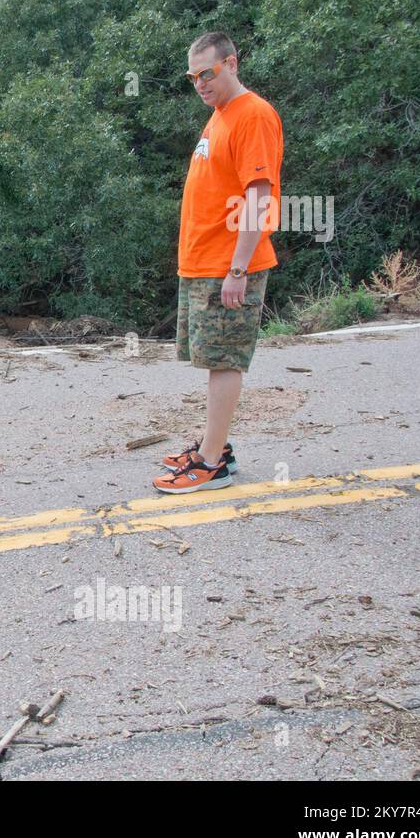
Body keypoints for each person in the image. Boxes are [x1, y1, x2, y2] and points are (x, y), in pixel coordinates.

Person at [153, 31, 283, 494]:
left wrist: (238, 269)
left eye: (206, 73)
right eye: (193, 77)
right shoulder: (220, 116)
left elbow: (260, 197)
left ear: (231, 62)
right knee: (210, 358)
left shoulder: (253, 115)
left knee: (224, 361)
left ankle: (212, 465)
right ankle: (214, 445)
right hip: (203, 262)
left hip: (228, 265)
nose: (199, 84)